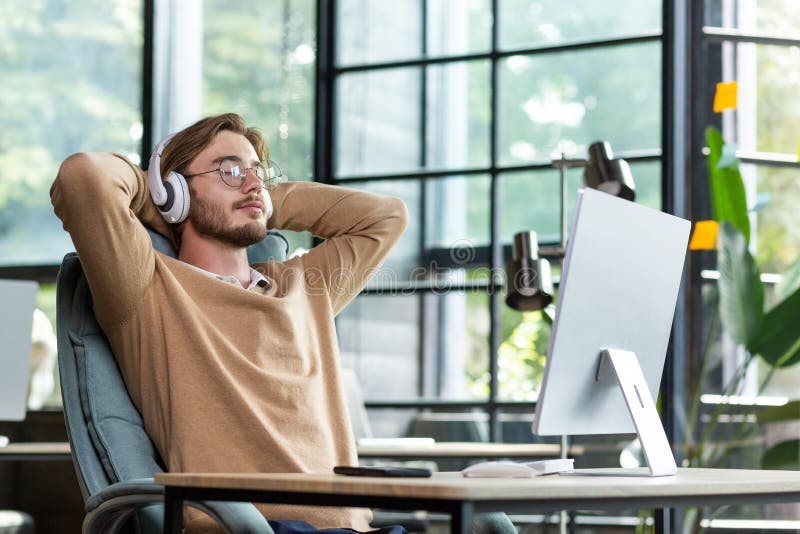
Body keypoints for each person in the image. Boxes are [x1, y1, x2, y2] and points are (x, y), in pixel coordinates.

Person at [51, 113, 514, 534]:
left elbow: (385, 217)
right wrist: (161, 198)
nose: (254, 183)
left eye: (259, 172)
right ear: (176, 189)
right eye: (230, 170)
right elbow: (83, 177)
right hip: (251, 527)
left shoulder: (305, 285)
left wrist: (261, 196)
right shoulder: (147, 287)